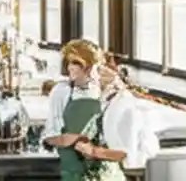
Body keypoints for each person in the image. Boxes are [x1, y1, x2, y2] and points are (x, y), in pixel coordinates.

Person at [42, 39, 125, 181]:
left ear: (90, 67)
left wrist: (94, 151)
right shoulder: (61, 91)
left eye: (76, 63)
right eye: (69, 62)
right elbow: (50, 136)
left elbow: (122, 146)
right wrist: (74, 139)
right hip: (74, 171)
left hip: (107, 172)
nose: (70, 67)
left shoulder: (105, 92)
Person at [92, 60, 160, 173]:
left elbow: (127, 155)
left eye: (102, 73)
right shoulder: (106, 102)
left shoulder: (126, 108)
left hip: (137, 168)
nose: (97, 78)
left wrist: (93, 152)